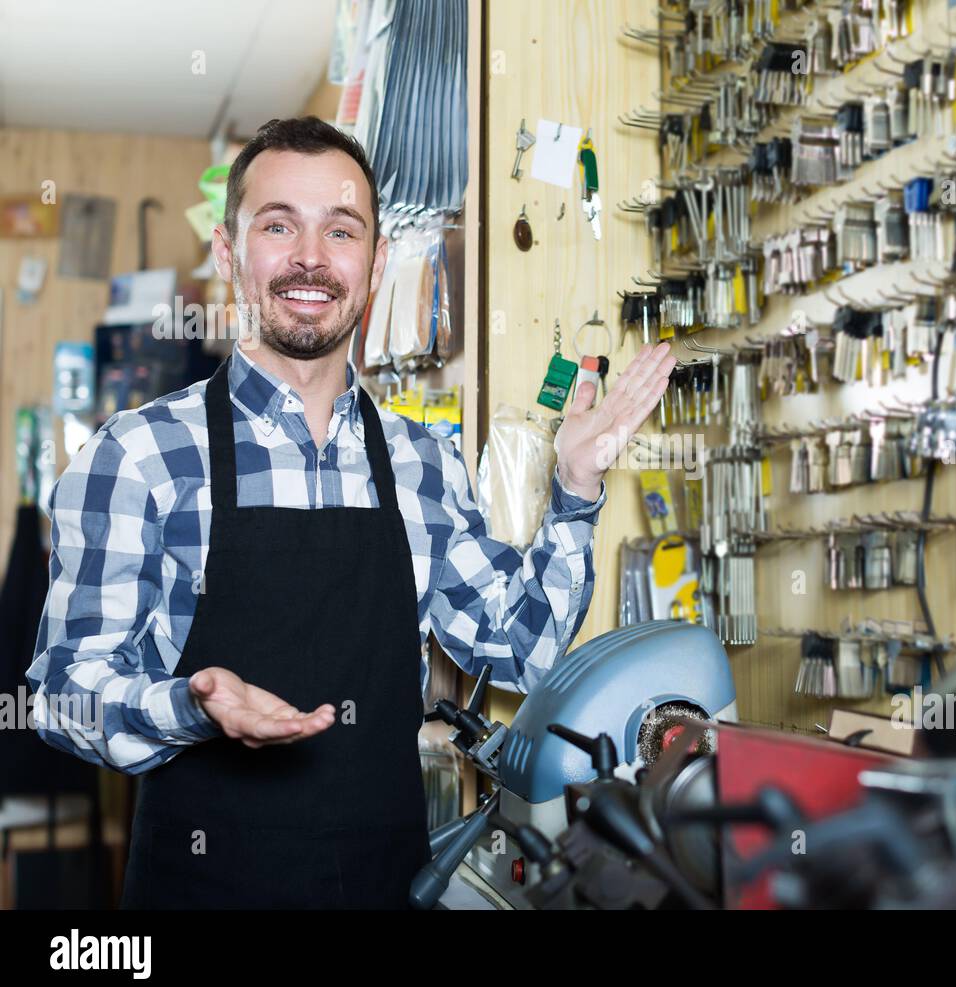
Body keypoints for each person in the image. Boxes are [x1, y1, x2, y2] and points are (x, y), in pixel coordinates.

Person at [26, 116, 675, 909]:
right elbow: (62, 693)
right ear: (230, 255)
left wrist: (574, 487)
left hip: (384, 884)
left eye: (341, 230)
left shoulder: (424, 461)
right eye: (278, 225)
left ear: (371, 264)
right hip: (199, 887)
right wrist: (189, 703)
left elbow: (523, 650)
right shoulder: (138, 454)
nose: (310, 257)